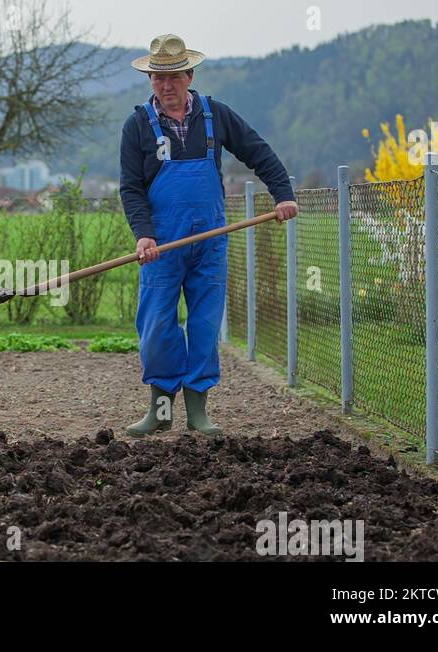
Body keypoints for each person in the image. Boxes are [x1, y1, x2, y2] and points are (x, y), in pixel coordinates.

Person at [119, 34, 297, 436]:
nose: (166, 86)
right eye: (157, 78)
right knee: (157, 328)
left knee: (203, 325)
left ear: (189, 75)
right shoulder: (137, 127)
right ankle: (160, 413)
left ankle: (198, 411)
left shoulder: (215, 116)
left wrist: (283, 195)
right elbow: (130, 188)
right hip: (161, 247)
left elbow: (259, 152)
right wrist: (144, 235)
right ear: (150, 80)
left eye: (174, 77)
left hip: (211, 241)